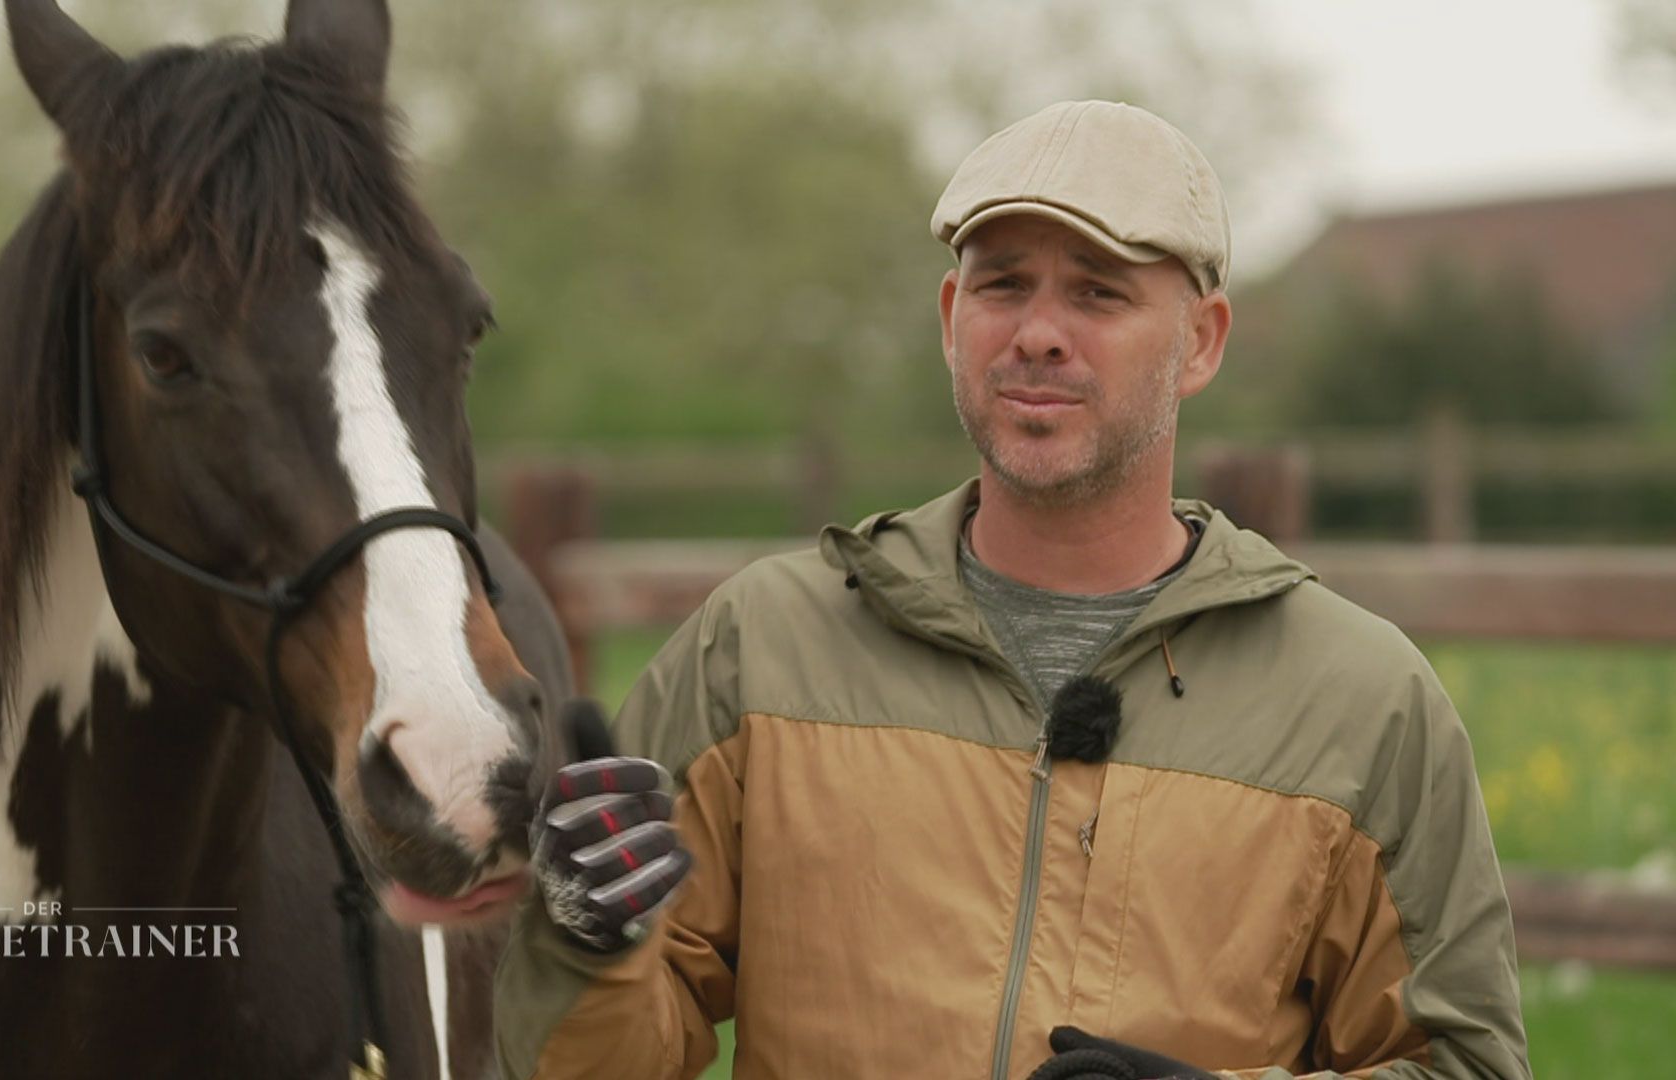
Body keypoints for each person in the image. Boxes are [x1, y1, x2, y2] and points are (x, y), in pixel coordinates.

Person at [492, 100, 1532, 1080]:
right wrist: (589, 949)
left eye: (1098, 291)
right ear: (953, 317)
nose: (1038, 330)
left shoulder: (1363, 699)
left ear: (1202, 342)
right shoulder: (755, 646)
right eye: (1002, 285)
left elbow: (1469, 1062)